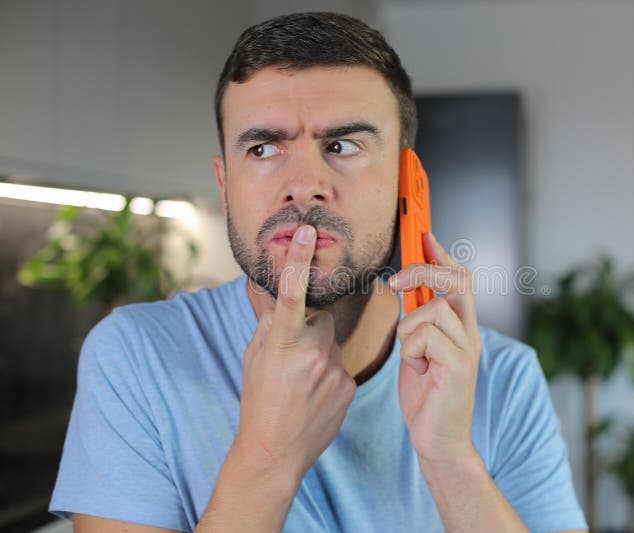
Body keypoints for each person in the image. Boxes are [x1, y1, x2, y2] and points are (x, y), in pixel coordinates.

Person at [49, 12, 587, 533]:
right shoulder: (136, 358)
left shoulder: (504, 379)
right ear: (225, 184)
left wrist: (450, 458)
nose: (304, 184)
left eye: (342, 145)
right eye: (262, 148)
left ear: (407, 182)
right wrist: (267, 459)